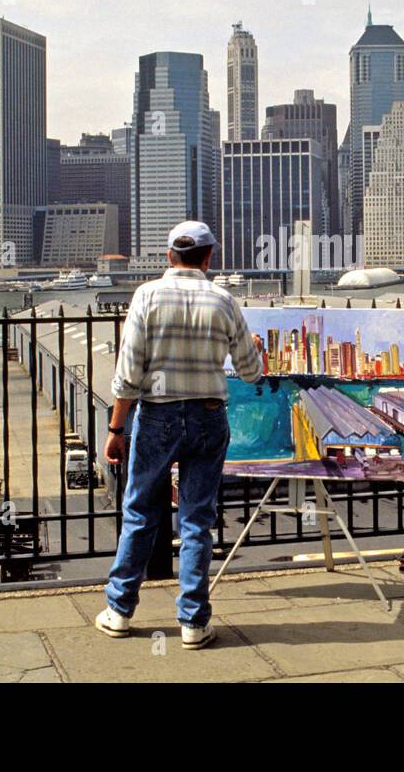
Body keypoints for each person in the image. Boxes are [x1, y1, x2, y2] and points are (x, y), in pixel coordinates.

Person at [96, 220, 264, 649]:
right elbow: (250, 371)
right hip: (209, 416)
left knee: (139, 512)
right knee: (196, 520)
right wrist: (253, 351)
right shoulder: (224, 300)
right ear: (209, 257)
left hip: (157, 415)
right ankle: (193, 621)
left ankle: (118, 611)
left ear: (169, 256)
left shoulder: (147, 296)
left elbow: (128, 372)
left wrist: (117, 428)